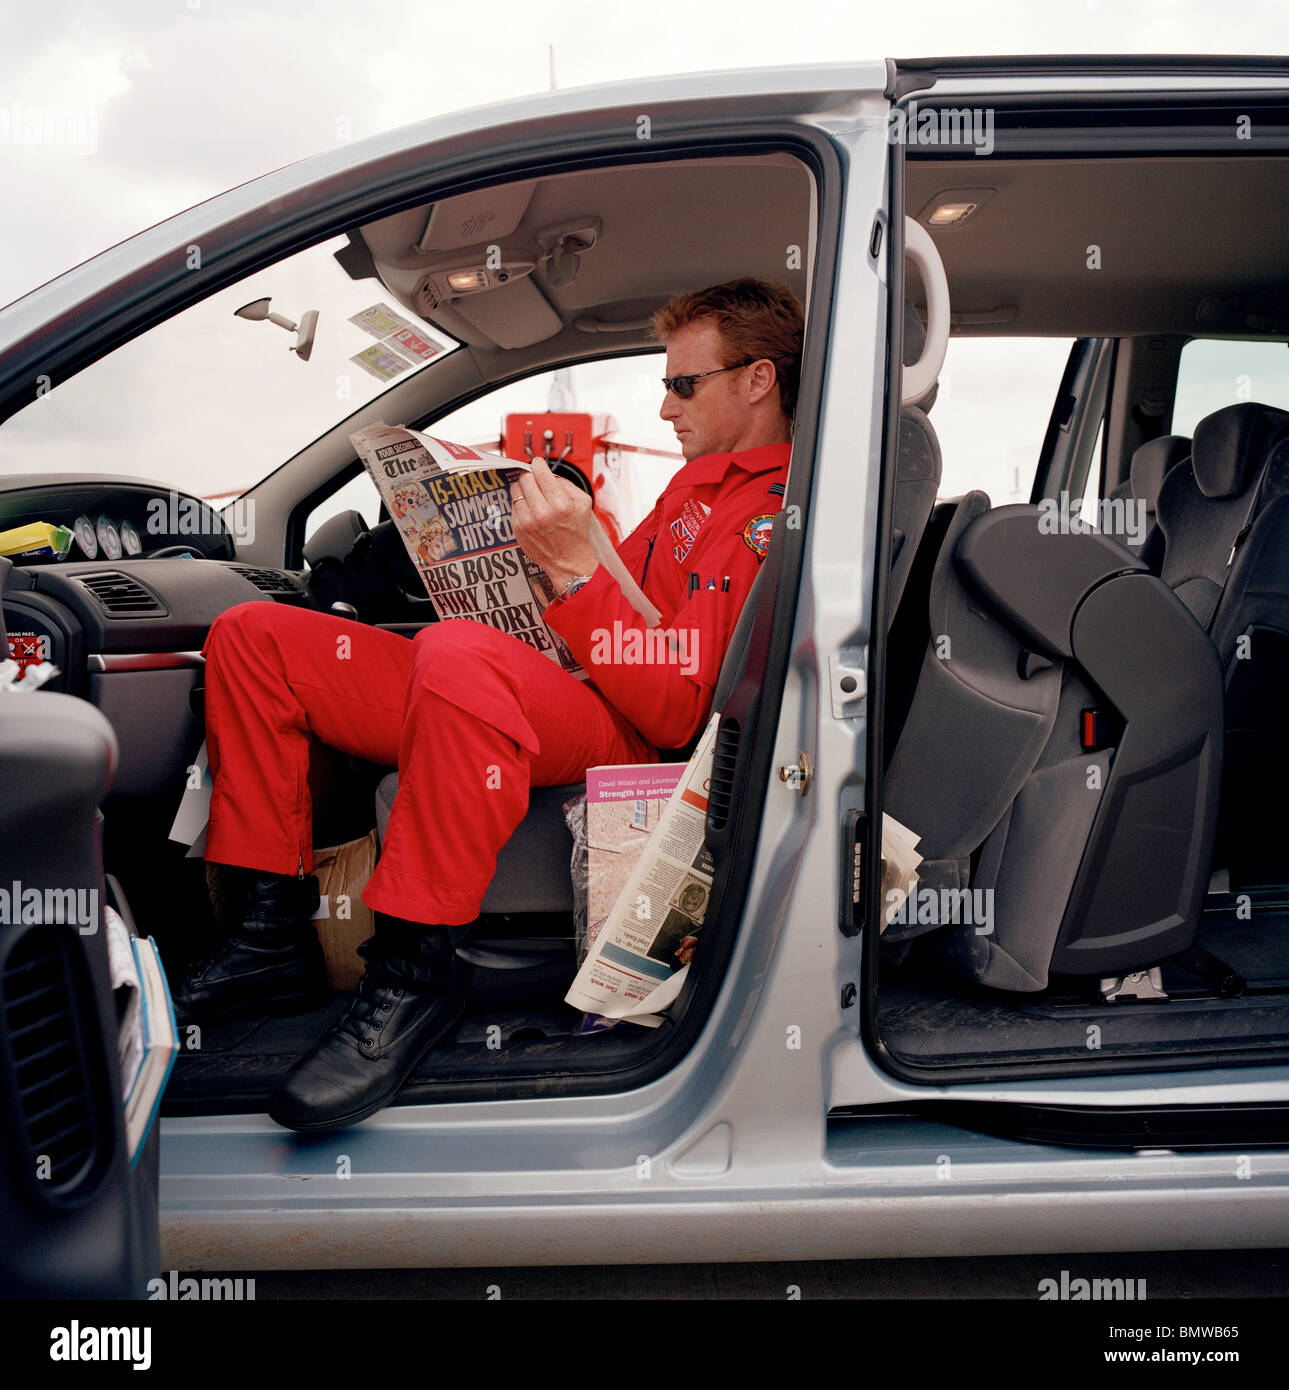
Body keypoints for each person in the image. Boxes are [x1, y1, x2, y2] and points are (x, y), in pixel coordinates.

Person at [173, 277, 804, 1132]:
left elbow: (675, 711)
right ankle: (267, 938)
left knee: (458, 653)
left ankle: (412, 973)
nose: (665, 408)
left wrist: (573, 573)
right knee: (255, 635)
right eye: (666, 385)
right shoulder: (694, 487)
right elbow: (628, 602)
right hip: (578, 684)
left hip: (631, 734)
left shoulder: (766, 511)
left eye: (683, 385)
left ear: (758, 380)